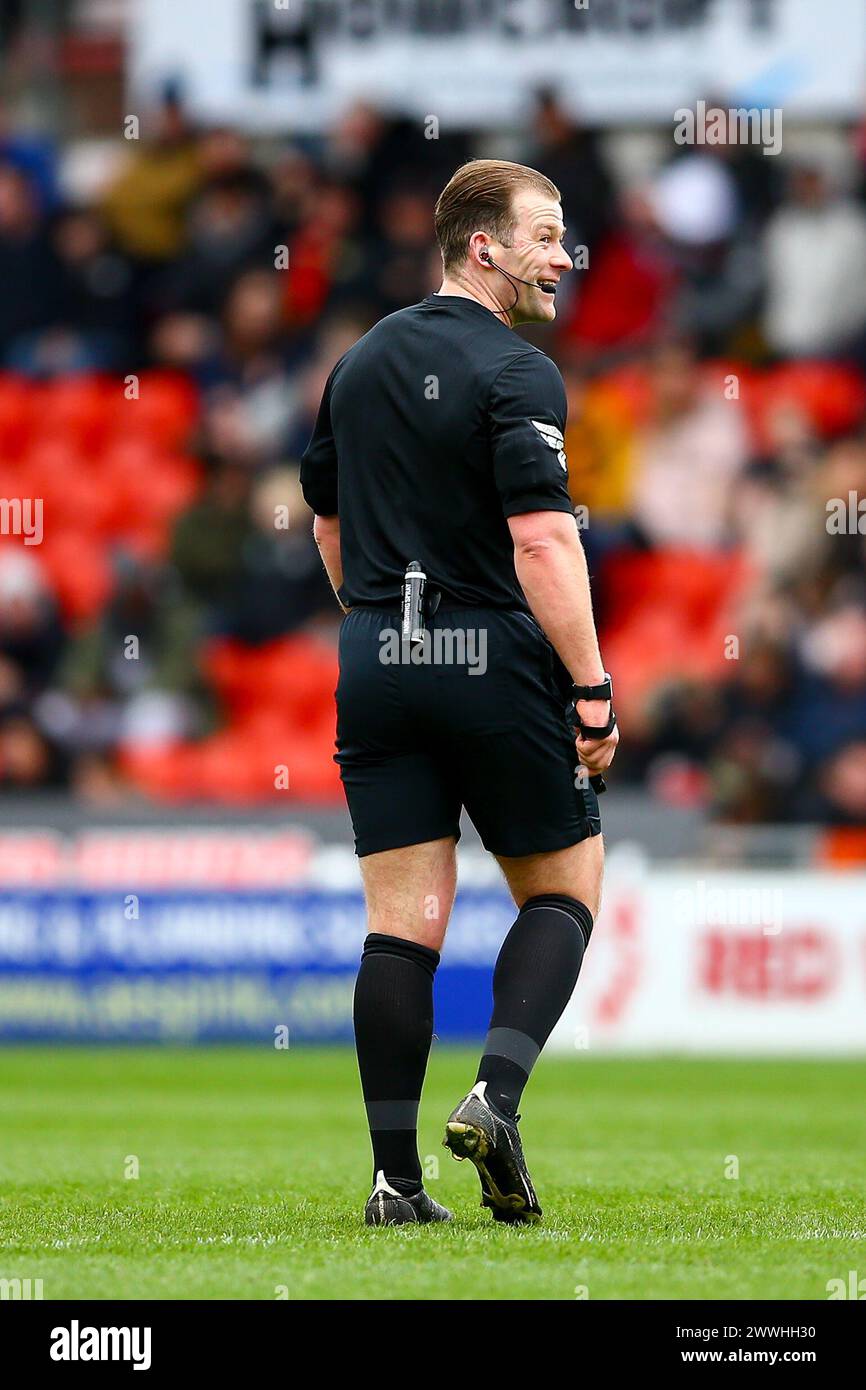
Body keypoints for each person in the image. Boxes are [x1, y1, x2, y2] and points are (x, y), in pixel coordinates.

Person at [301, 159, 618, 1226]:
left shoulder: (355, 363)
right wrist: (590, 689)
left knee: (399, 925)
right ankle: (495, 1093)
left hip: (375, 657)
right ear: (479, 246)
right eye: (542, 235)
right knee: (565, 884)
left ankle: (394, 1182)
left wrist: (382, 627)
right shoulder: (516, 370)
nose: (560, 256)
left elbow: (326, 526)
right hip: (486, 655)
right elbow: (540, 540)